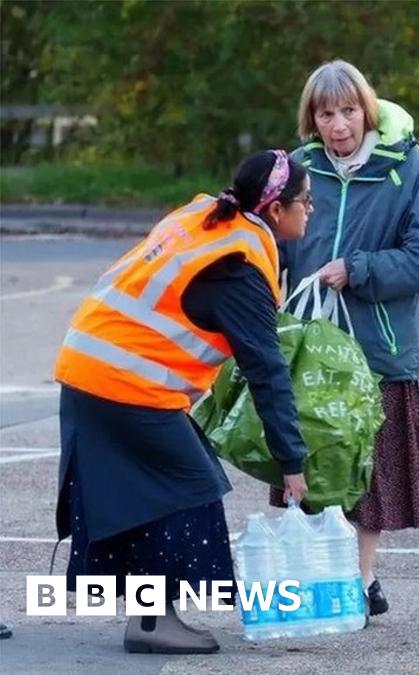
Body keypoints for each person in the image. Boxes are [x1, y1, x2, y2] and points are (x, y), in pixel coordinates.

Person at [53, 150, 314, 654]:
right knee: (190, 487)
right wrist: (291, 461)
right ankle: (153, 624)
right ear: (276, 210)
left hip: (94, 370)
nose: (311, 210)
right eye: (306, 202)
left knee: (139, 496)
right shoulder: (237, 267)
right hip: (120, 381)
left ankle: (150, 618)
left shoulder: (209, 218)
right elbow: (267, 370)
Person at [272, 59, 419, 617]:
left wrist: (358, 269)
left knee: (369, 476)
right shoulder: (298, 168)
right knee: (306, 467)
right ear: (313, 118)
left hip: (378, 348)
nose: (338, 124)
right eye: (326, 113)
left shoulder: (408, 166)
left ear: (366, 111)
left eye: (348, 110)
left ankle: (362, 578)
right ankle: (310, 575)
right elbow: (270, 244)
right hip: (307, 349)